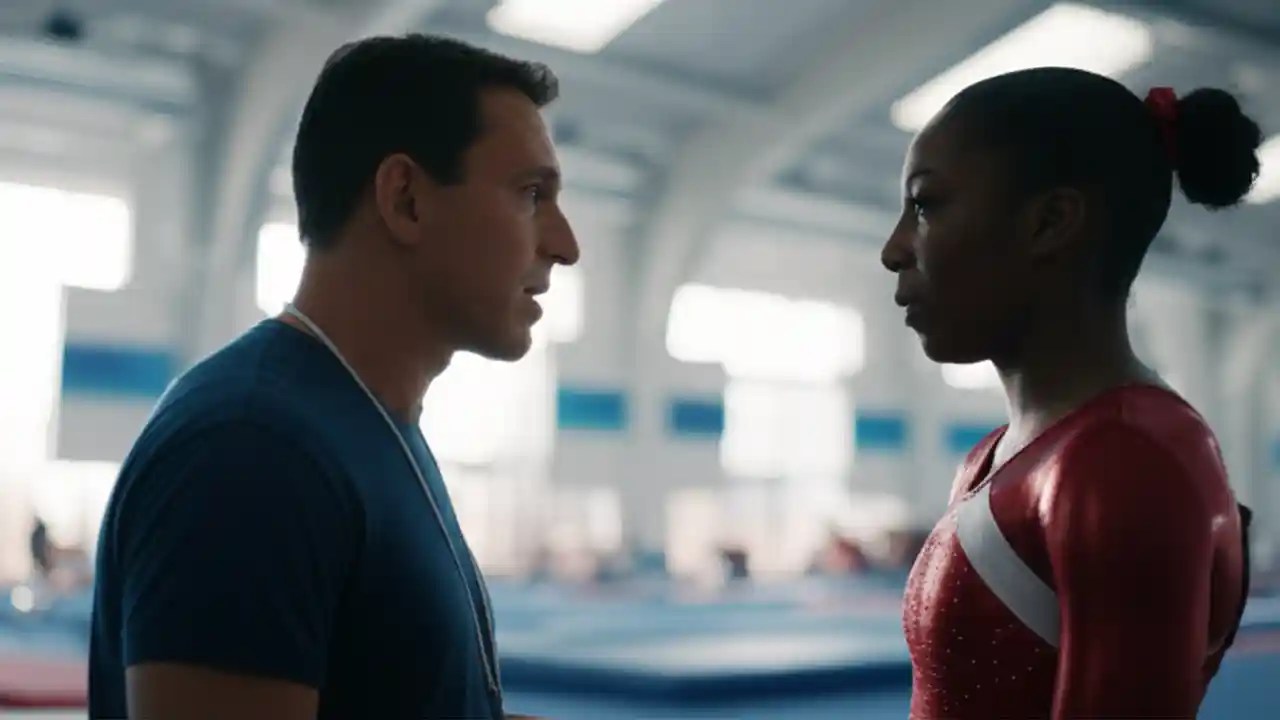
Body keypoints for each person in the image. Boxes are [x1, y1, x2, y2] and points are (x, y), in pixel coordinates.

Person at [89, 33, 577, 720]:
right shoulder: (253, 452)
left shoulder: (367, 428)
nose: (567, 245)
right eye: (532, 195)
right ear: (405, 199)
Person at [881, 67, 1261, 719]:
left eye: (925, 206)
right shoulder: (992, 458)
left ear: (1051, 222)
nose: (894, 250)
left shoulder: (1125, 461)